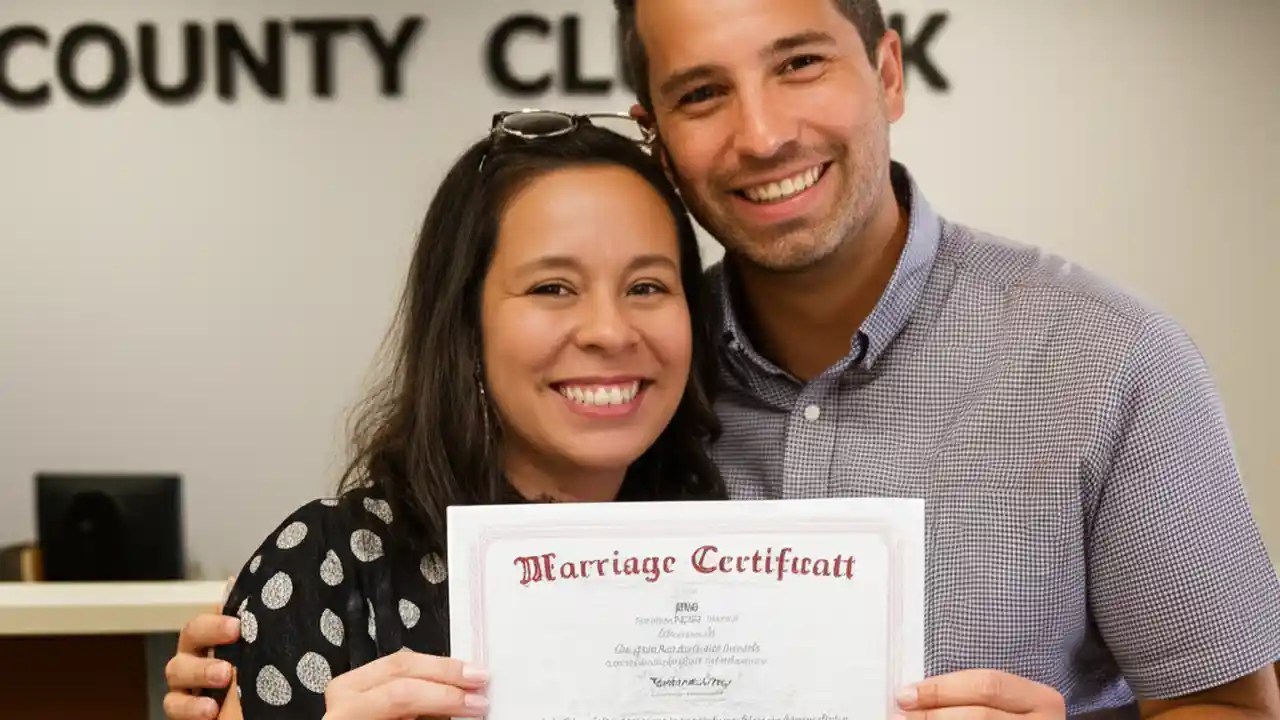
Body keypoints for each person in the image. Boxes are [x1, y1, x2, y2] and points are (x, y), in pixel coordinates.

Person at [165, 1, 1280, 718]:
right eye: (702, 93)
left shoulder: (1106, 357)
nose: (759, 133)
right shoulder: (646, 404)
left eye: (798, 63)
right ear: (657, 128)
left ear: (886, 72)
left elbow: (1230, 707)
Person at [174, 113, 728, 719]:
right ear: (466, 324)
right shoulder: (328, 570)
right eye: (552, 288)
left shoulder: (739, 562)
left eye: (647, 286)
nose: (609, 330)